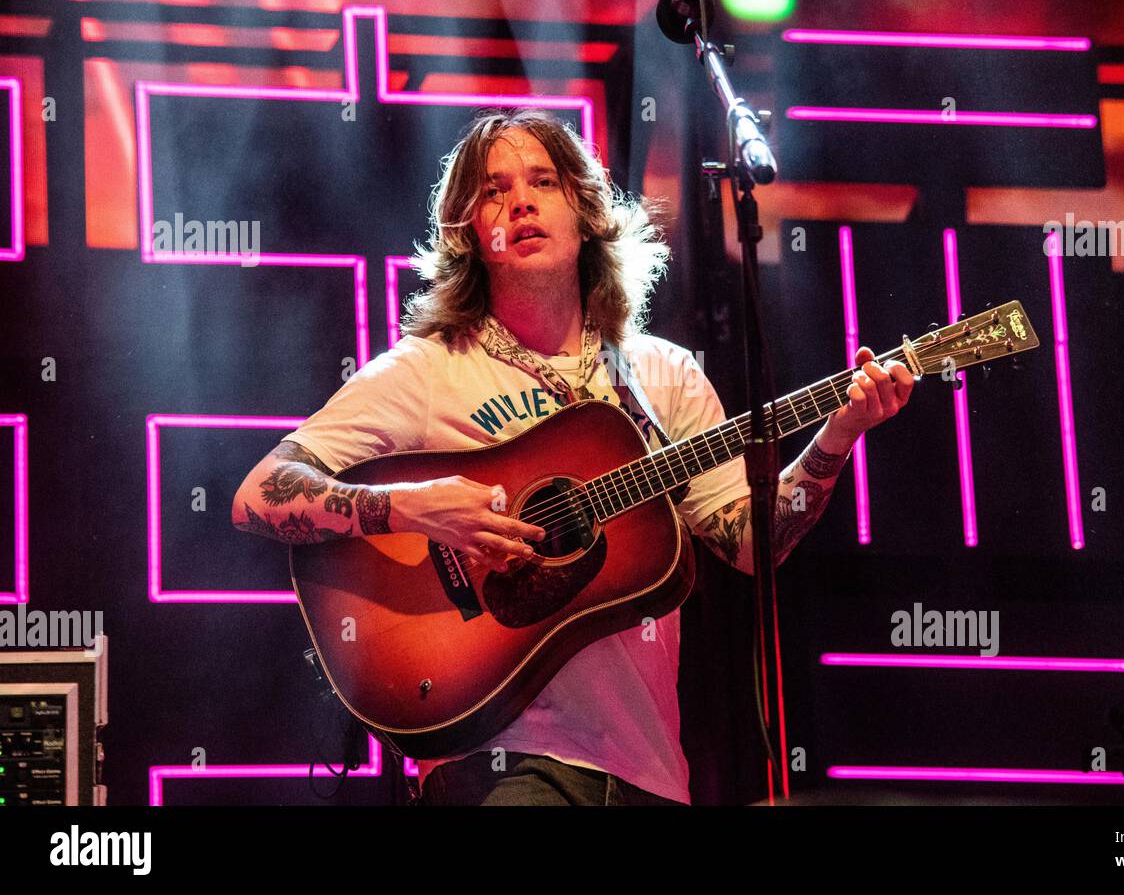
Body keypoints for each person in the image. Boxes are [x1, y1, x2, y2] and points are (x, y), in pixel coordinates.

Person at [231, 107, 914, 805]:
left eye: (544, 182)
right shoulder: (427, 371)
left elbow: (751, 543)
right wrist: (413, 508)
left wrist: (837, 436)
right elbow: (260, 493)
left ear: (587, 213)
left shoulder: (662, 375)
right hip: (498, 760)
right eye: (494, 190)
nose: (521, 200)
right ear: (471, 234)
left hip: (647, 767)